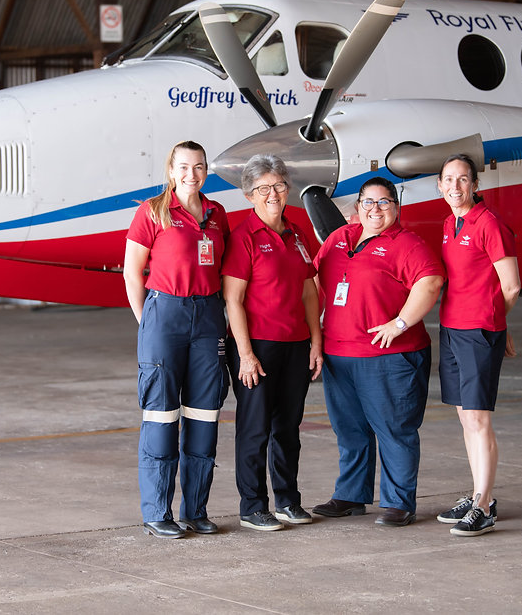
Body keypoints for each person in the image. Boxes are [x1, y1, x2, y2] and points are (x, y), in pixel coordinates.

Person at [311, 177, 444, 527]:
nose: (375, 209)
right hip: (340, 355)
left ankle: (399, 503)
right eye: (368, 202)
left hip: (389, 358)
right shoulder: (339, 239)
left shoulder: (407, 244)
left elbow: (430, 282)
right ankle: (351, 496)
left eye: (384, 202)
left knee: (394, 429)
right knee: (350, 429)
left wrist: (399, 323)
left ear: (396, 207)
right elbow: (313, 280)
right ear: (357, 207)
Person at [122, 140, 230, 539]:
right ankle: (156, 512)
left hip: (208, 316)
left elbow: (222, 268)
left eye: (199, 166)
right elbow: (133, 273)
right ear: (171, 170)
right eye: (183, 167)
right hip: (164, 314)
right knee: (161, 417)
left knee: (204, 415)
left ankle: (196, 510)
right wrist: (147, 322)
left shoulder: (218, 215)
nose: (192, 174)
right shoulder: (152, 212)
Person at [221, 154, 323, 532]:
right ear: (250, 195)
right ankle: (252, 506)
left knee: (288, 428)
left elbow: (309, 292)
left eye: (278, 186)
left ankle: (287, 500)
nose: (273, 194)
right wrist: (245, 355)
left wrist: (315, 340)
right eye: (263, 188)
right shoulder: (243, 238)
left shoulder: (297, 234)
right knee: (255, 428)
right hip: (258, 348)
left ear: (288, 188)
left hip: (295, 344)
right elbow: (233, 299)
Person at [434, 153, 521, 537]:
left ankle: (484, 505)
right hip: (452, 328)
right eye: (448, 180)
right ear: (439, 186)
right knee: (466, 417)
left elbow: (512, 285)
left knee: (479, 418)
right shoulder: (448, 223)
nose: (455, 187)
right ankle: (477, 494)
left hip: (478, 331)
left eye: (463, 179)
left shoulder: (489, 224)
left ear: (475, 185)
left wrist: (497, 324)